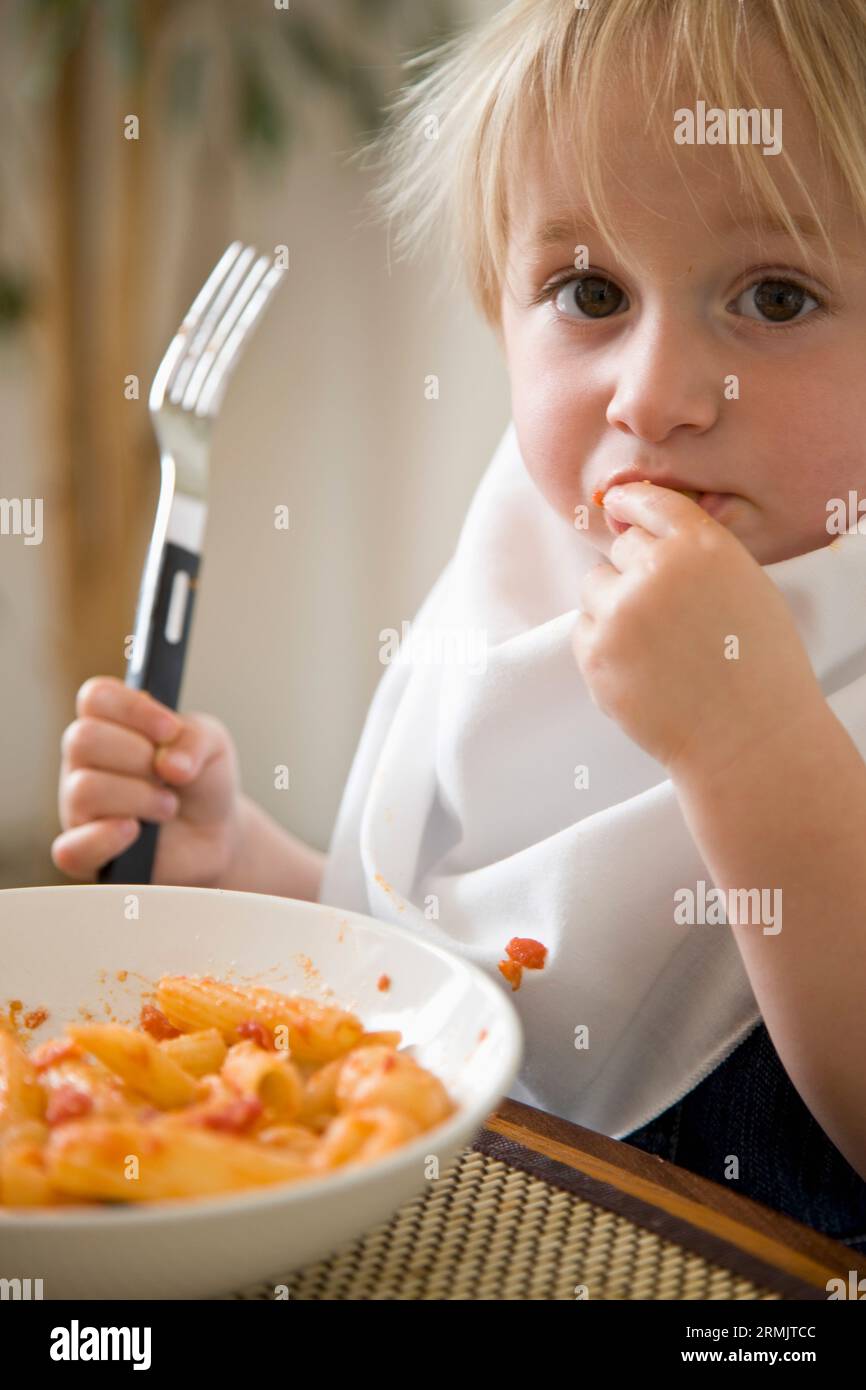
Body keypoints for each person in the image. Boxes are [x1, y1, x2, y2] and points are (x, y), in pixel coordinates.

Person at [54, 0, 866, 1252]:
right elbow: (449, 975)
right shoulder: (526, 565)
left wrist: (752, 742)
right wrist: (243, 862)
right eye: (588, 289)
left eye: (773, 295)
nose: (648, 398)